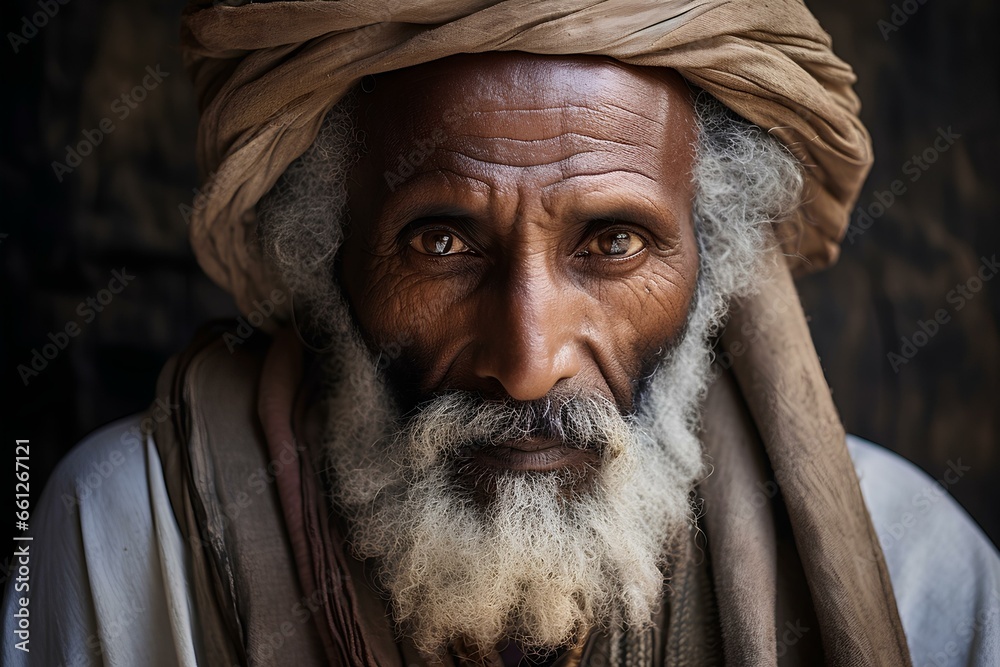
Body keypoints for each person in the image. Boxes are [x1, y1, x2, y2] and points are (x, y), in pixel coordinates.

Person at [3, 1, 998, 665]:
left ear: (715, 261)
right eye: (440, 242)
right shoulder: (136, 533)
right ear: (326, 255)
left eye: (613, 242)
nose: (528, 363)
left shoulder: (912, 562)